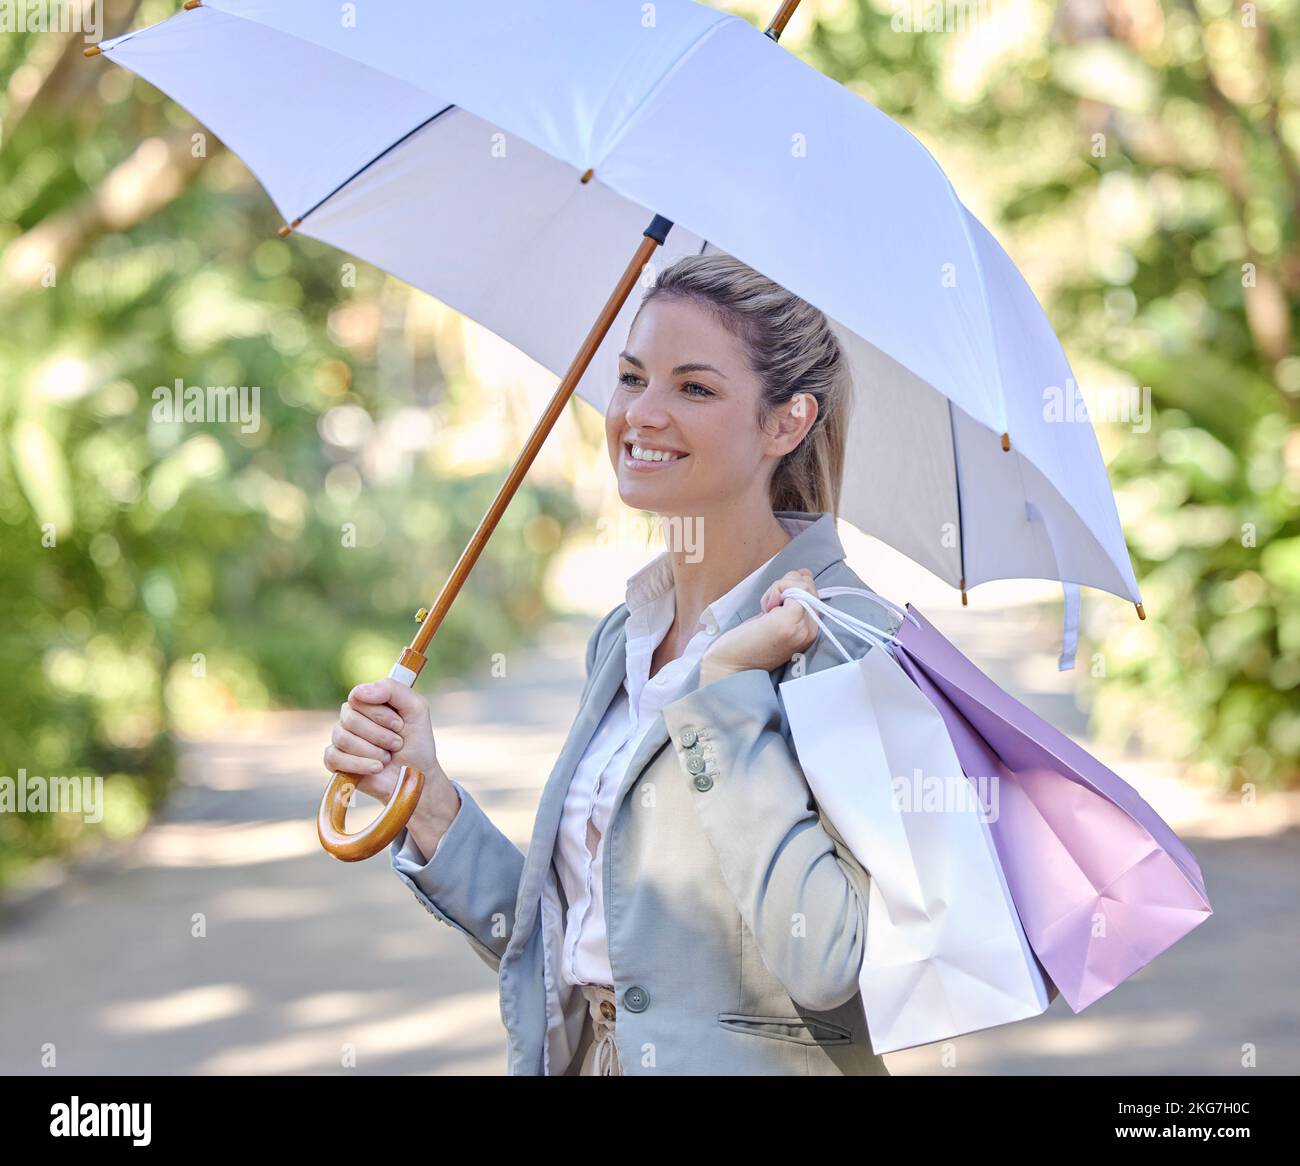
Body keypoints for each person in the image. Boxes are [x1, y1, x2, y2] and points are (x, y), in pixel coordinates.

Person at [324, 252, 899, 1075]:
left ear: (787, 423)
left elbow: (832, 961)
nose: (642, 414)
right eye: (632, 377)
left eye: (694, 388)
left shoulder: (845, 641)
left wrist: (727, 697)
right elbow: (584, 949)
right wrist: (426, 798)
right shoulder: (622, 637)